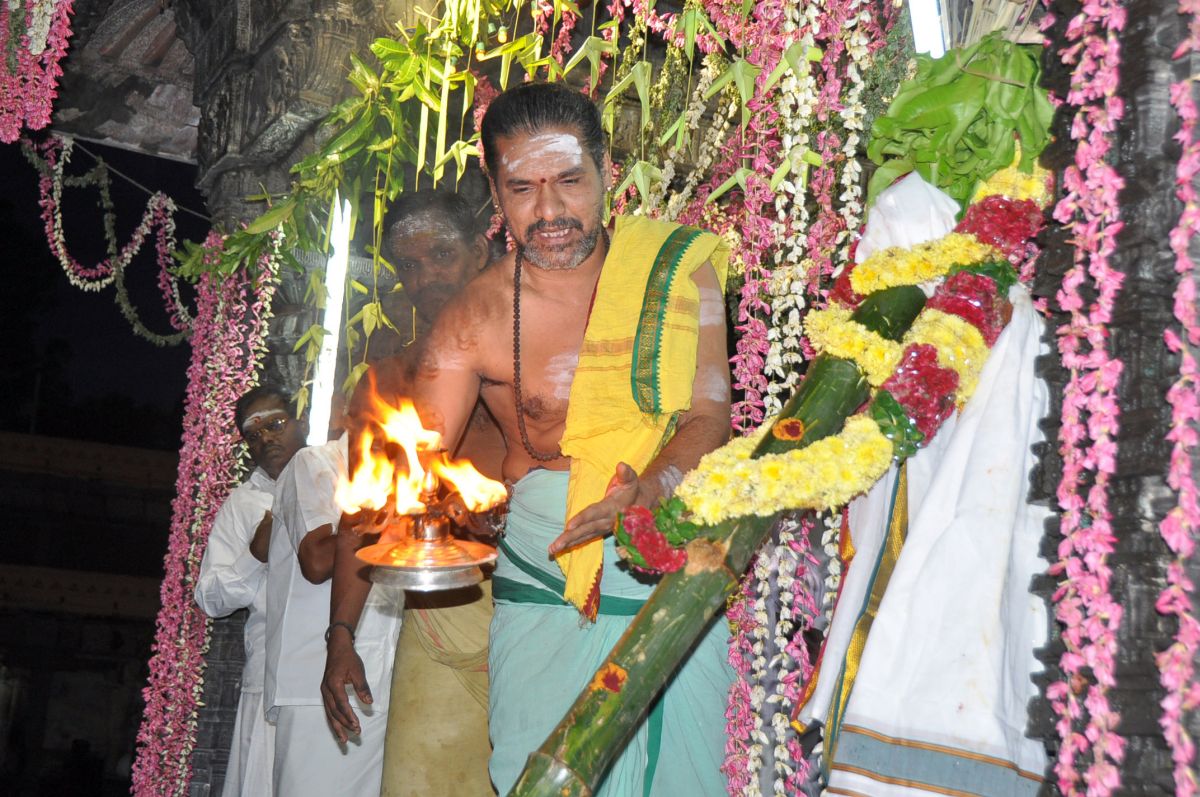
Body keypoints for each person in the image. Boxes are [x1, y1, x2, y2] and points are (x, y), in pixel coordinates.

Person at [410, 81, 735, 795]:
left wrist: (648, 492)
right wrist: (437, 506)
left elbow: (709, 418)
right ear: (494, 194)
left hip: (668, 556)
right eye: (522, 188)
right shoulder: (475, 317)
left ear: (606, 173)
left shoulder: (678, 270)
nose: (550, 211)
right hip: (545, 584)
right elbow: (417, 461)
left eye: (569, 181)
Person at [321, 189, 506, 797]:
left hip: (543, 598)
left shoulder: (531, 359)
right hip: (441, 612)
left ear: (480, 252)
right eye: (409, 264)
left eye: (442, 256)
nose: (425, 277)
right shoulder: (384, 383)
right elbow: (361, 520)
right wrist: (340, 636)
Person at [263, 435, 403, 796]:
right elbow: (317, 561)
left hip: (388, 681)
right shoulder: (314, 464)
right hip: (317, 685)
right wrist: (376, 512)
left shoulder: (413, 471)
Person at [194, 385, 307, 797]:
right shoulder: (242, 505)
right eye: (253, 435)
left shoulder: (341, 478)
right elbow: (210, 597)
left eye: (275, 424)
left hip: (341, 667)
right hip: (270, 677)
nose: (265, 439)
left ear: (301, 421)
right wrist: (254, 555)